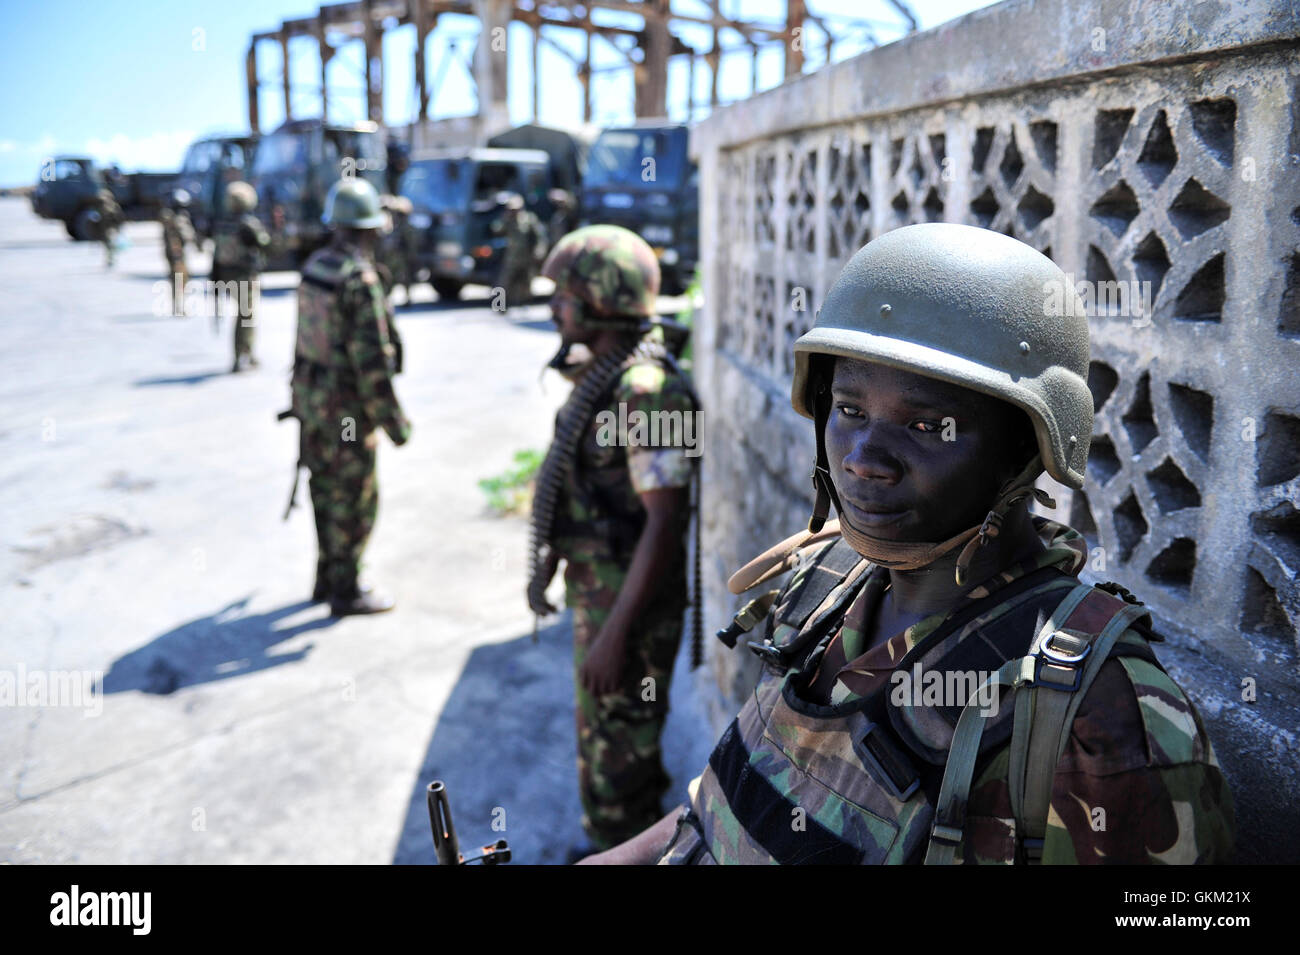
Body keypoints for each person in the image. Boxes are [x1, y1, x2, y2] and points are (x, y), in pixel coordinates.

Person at [579, 222, 1235, 865]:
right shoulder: (827, 580)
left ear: (1026, 450)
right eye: (851, 409)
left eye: (927, 424)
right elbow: (728, 798)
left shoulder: (1098, 721)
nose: (864, 459)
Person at [527, 225, 698, 860]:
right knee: (609, 744)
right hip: (603, 594)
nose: (553, 310)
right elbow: (586, 486)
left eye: (563, 297)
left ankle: (620, 848)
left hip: (630, 609)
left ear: (600, 303)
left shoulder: (647, 392)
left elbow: (664, 522)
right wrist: (553, 553)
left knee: (618, 757)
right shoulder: (605, 377)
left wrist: (615, 635)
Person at [287, 178, 410, 617]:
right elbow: (372, 361)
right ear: (366, 229)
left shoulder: (315, 266)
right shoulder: (359, 279)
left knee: (324, 490)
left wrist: (299, 398)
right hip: (347, 413)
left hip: (313, 404)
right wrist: (395, 423)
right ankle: (347, 589)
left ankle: (327, 576)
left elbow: (303, 341)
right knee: (356, 499)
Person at [211, 180, 270, 372]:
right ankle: (240, 356)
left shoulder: (222, 223)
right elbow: (264, 243)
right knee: (246, 316)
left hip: (226, 276)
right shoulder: (247, 223)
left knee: (245, 315)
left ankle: (248, 353)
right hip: (244, 276)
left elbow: (216, 253)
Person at [494, 193, 545, 309]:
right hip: (511, 258)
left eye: (516, 209)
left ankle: (524, 304)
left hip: (525, 257)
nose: (514, 211)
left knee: (525, 283)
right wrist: (505, 218)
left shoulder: (529, 219)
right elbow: (496, 230)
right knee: (503, 283)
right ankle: (499, 305)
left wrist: (539, 251)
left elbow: (539, 236)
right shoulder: (507, 220)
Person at [158, 190, 195, 316]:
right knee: (180, 279)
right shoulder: (177, 219)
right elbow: (179, 237)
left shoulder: (170, 218)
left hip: (174, 253)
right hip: (177, 253)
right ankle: (179, 307)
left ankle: (177, 306)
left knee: (176, 279)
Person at [377, 194, 415, 303]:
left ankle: (406, 297)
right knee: (390, 276)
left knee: (404, 276)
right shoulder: (389, 223)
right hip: (393, 255)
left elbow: (409, 242)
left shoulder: (405, 226)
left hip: (400, 254)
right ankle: (386, 296)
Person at [91, 187, 123, 268]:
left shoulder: (113, 206)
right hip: (105, 230)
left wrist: (117, 228)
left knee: (110, 245)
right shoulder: (100, 207)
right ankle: (110, 259)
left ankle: (111, 259)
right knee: (108, 245)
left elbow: (119, 218)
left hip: (111, 229)